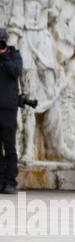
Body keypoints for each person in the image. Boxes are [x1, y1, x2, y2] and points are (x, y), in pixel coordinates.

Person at [0, 29, 22, 194]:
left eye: (1, 40)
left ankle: (10, 181)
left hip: (8, 108)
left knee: (9, 146)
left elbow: (15, 72)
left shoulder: (14, 56)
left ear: (6, 40)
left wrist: (4, 55)